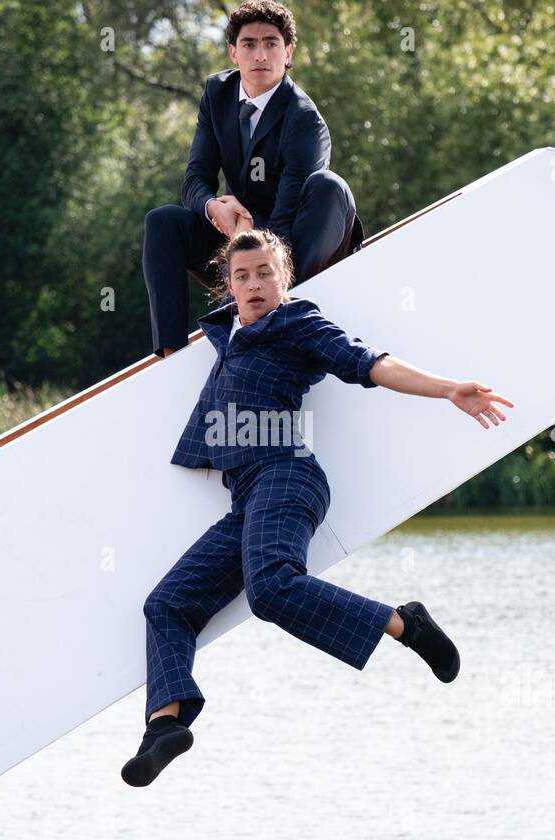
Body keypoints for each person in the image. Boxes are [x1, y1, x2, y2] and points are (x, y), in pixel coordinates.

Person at [122, 229, 515, 786]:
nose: (254, 284)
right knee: (166, 604)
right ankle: (164, 727)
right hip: (246, 497)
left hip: (287, 475)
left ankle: (406, 623)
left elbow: (370, 363)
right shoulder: (227, 334)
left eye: (265, 273)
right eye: (241, 276)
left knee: (272, 588)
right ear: (228, 285)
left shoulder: (298, 322)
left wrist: (448, 387)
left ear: (284, 279)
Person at [143, 0, 366, 360]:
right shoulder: (217, 94)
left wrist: (245, 235)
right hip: (237, 239)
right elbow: (195, 179)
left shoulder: (304, 120)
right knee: (163, 221)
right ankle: (170, 355)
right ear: (233, 52)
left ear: (288, 52)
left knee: (329, 185)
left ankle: (277, 316)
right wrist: (213, 206)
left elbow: (285, 217)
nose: (260, 54)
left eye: (271, 43)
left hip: (296, 244)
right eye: (249, 44)